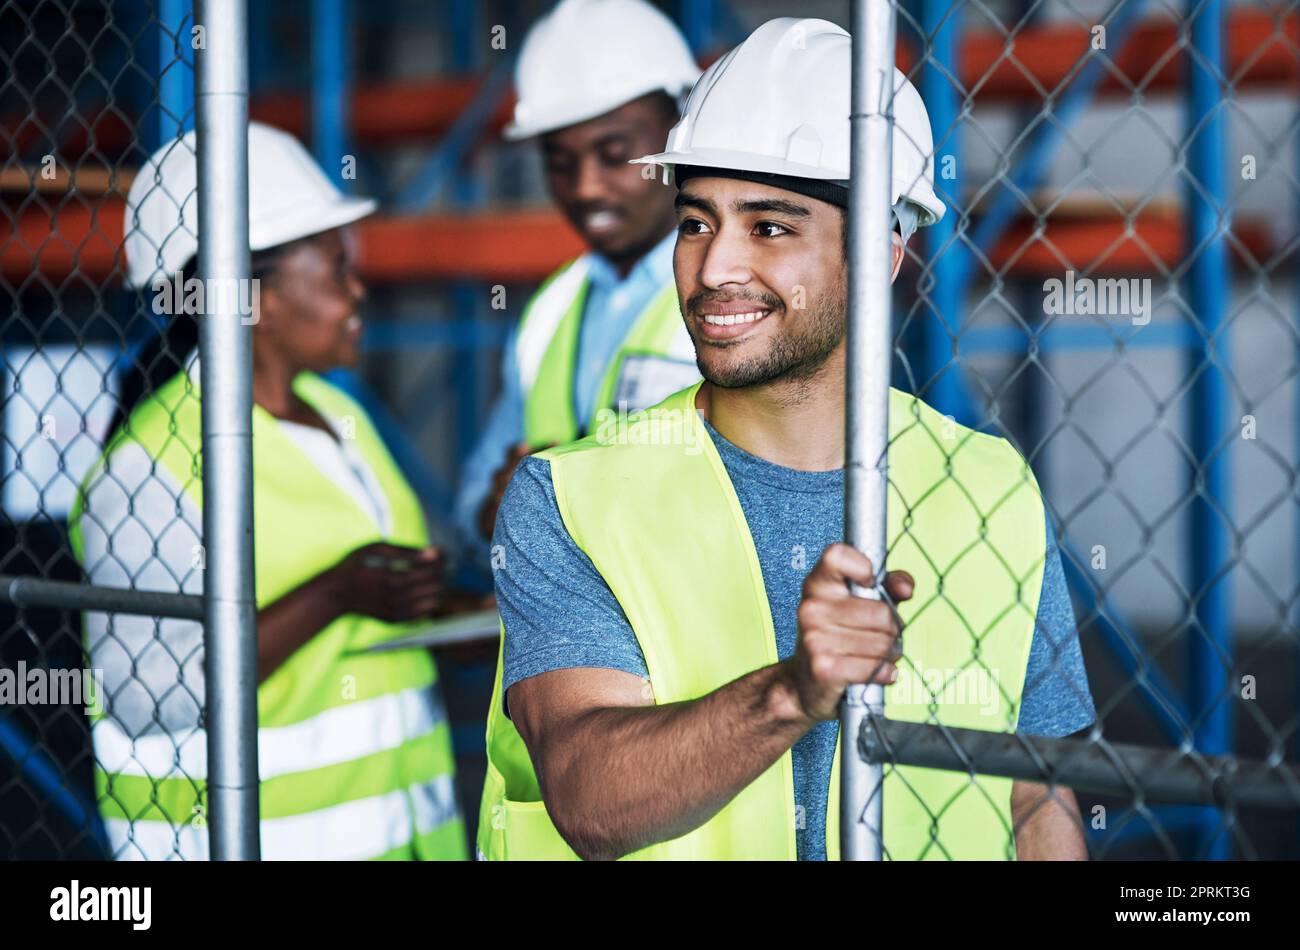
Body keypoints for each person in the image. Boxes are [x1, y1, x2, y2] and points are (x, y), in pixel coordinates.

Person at [478, 18, 1097, 860]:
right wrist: (795, 691)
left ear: (880, 254)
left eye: (769, 227)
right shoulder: (571, 499)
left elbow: (1038, 794)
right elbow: (591, 802)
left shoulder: (988, 485)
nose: (714, 266)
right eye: (695, 222)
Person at [70, 122, 466, 860]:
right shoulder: (148, 468)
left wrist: (427, 601)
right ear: (249, 296)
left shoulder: (341, 413)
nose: (358, 290)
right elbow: (146, 696)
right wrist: (334, 594)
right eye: (334, 268)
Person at [454, 0, 703, 550]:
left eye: (614, 155)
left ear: (681, 131)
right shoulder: (550, 311)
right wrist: (494, 509)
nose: (586, 188)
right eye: (560, 163)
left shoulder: (733, 289)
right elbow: (473, 495)